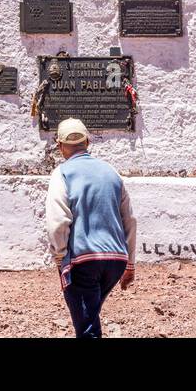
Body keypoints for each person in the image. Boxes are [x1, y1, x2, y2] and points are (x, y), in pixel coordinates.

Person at [45, 118, 136, 339]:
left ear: (60, 146)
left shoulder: (62, 173)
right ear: (87, 141)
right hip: (116, 261)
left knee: (87, 329)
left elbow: (58, 222)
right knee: (90, 316)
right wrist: (130, 263)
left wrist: (60, 257)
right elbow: (130, 220)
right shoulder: (112, 172)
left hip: (83, 260)